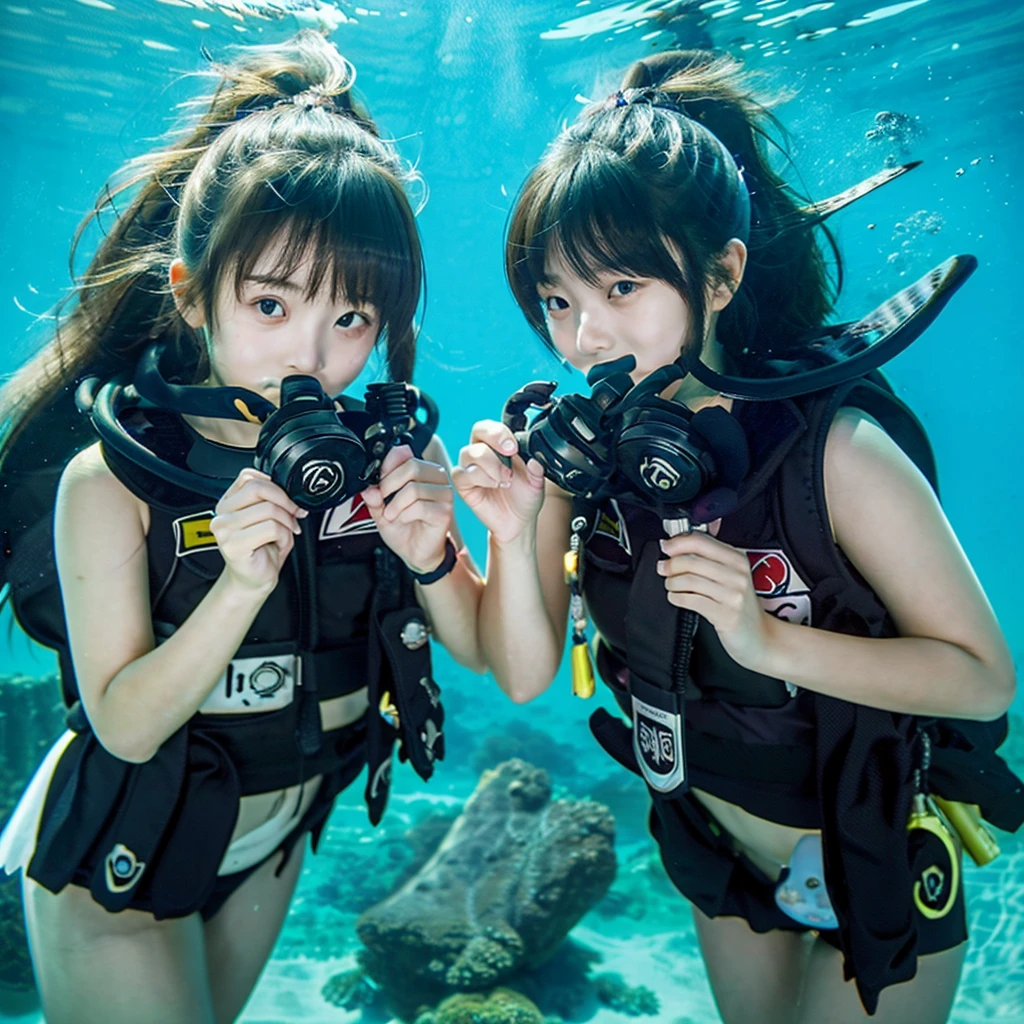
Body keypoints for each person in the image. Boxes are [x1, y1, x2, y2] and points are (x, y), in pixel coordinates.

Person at [453, 50, 1021, 1023]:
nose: (583, 338)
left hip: (873, 845)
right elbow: (519, 673)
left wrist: (769, 641)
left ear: (722, 272)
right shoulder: (574, 455)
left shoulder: (834, 450)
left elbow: (981, 676)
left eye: (621, 288)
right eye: (557, 299)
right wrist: (510, 531)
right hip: (712, 850)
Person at [0, 30, 483, 1024]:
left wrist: (457, 540)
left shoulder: (381, 462)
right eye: (269, 304)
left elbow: (482, 650)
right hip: (119, 847)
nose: (307, 356)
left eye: (352, 320)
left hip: (279, 829)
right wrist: (241, 579)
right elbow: (125, 721)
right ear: (192, 294)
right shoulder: (111, 480)